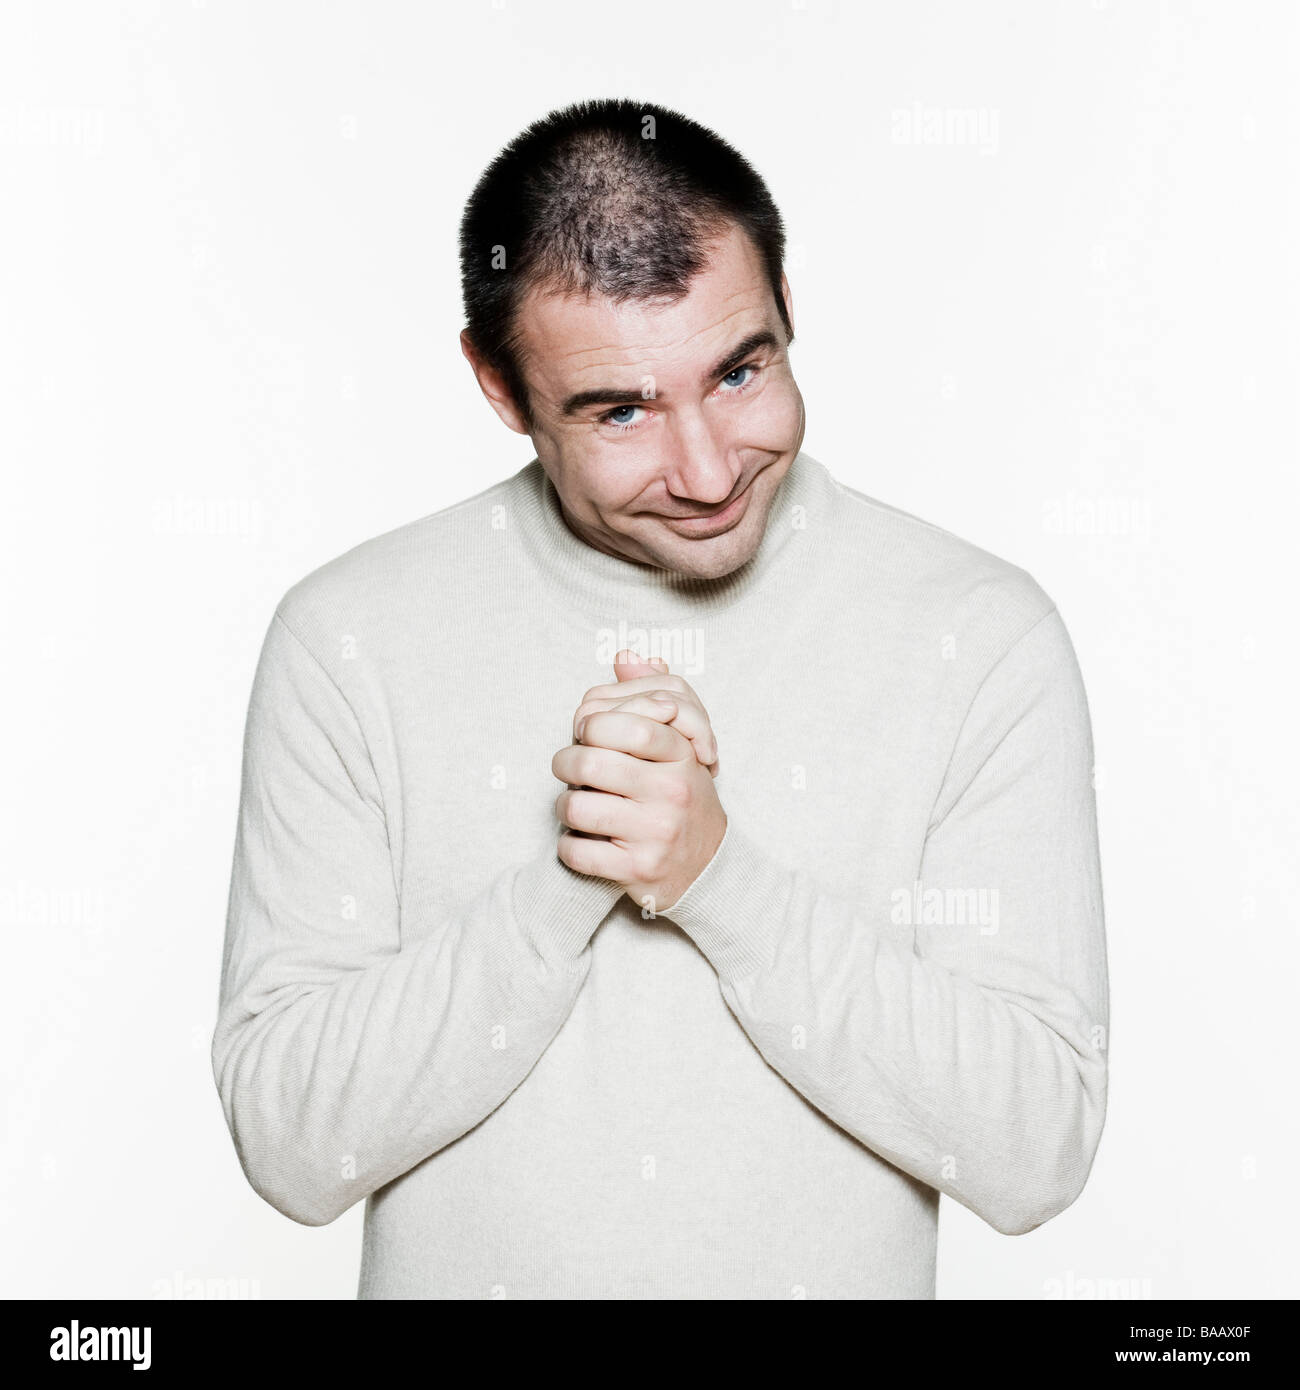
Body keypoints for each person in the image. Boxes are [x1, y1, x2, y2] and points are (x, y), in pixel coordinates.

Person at [211, 98, 1109, 1299]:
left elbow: (1033, 1150)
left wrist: (714, 878)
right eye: (620, 411)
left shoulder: (976, 634)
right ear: (497, 384)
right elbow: (290, 1149)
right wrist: (571, 873)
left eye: (739, 371)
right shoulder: (349, 638)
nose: (705, 471)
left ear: (788, 304)